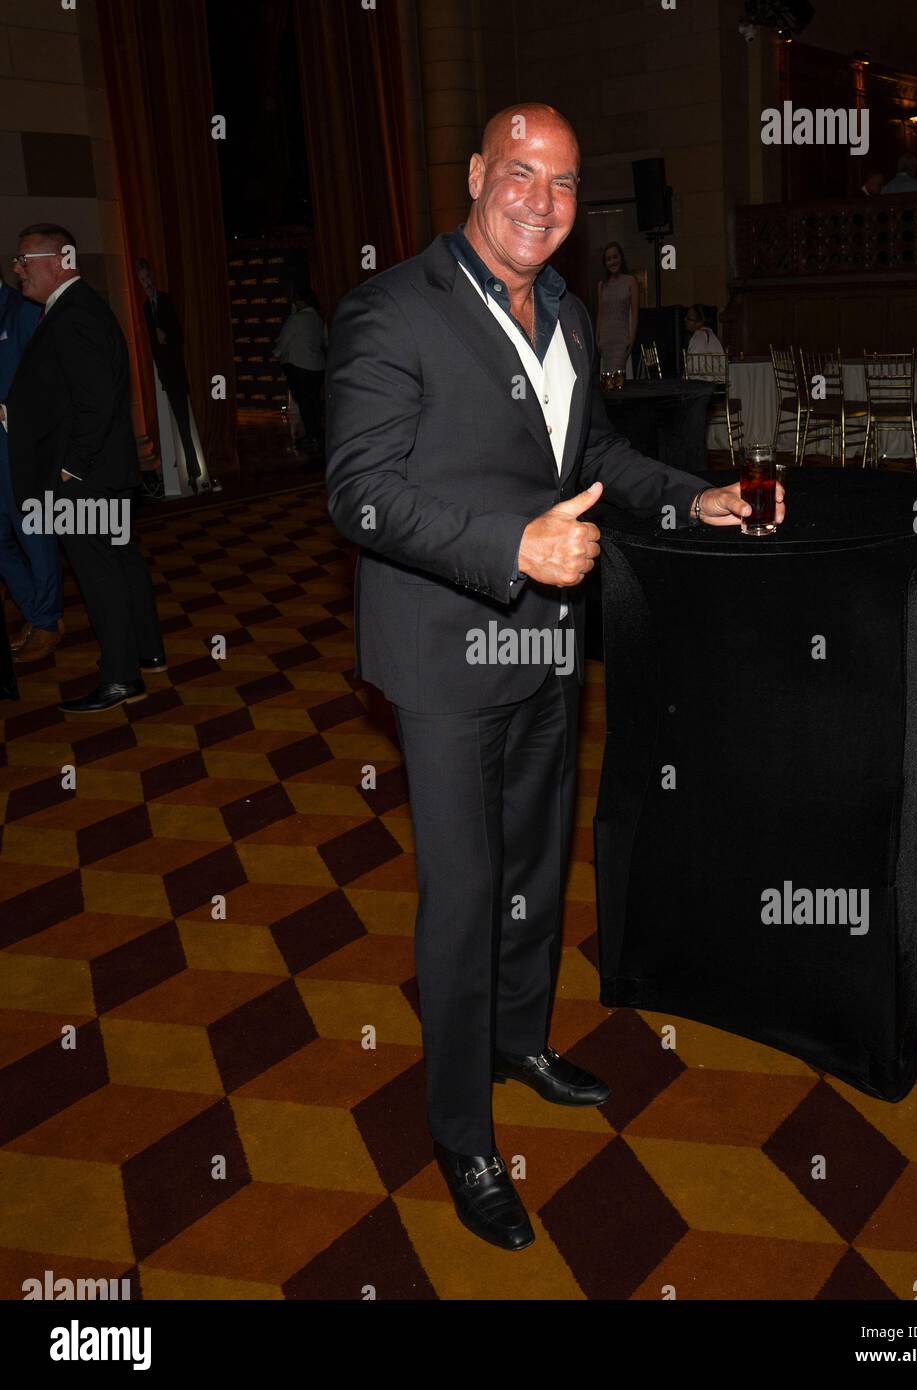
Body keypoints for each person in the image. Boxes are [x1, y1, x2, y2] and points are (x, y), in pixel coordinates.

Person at [326, 102, 785, 1253]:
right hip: (441, 653)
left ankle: (517, 1035)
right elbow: (360, 492)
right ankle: (458, 1127)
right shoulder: (392, 310)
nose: (538, 198)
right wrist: (509, 550)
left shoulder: (568, 315)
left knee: (536, 856)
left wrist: (692, 497)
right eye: (518, 172)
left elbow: (588, 459)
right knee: (465, 889)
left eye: (564, 183)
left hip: (541, 644)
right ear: (477, 174)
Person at [3, 223, 166, 712]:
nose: (16, 269)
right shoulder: (77, 308)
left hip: (85, 479)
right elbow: (75, 397)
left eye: (24, 260)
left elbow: (96, 404)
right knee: (120, 560)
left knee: (100, 575)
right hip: (102, 472)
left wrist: (70, 470)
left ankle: (120, 678)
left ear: (60, 261)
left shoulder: (72, 315)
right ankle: (146, 652)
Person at [0, 270, 64, 663]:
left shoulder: (21, 309)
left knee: (33, 535)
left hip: (19, 449)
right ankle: (37, 612)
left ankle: (47, 621)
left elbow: (46, 380)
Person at [135, 257, 207, 493]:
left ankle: (194, 472)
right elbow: (151, 343)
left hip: (175, 371)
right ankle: (183, 468)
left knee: (184, 423)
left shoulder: (165, 300)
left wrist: (166, 337)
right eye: (141, 280)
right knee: (172, 424)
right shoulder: (146, 307)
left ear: (152, 276)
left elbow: (178, 334)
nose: (145, 283)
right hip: (162, 373)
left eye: (147, 278)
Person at [272, 286, 327, 458]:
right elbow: (325, 341)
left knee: (305, 404)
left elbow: (283, 340)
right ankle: (316, 435)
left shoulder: (296, 318)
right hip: (318, 367)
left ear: (301, 301)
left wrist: (276, 354)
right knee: (313, 403)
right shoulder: (318, 318)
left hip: (300, 366)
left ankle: (312, 436)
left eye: (296, 299)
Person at [595, 241, 638, 374]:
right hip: (606, 340)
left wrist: (631, 339)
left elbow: (635, 313)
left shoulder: (630, 281)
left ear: (621, 258)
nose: (612, 262)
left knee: (622, 381)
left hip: (622, 339)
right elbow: (600, 314)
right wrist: (598, 339)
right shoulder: (602, 285)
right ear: (605, 263)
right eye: (608, 259)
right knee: (607, 383)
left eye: (615, 257)